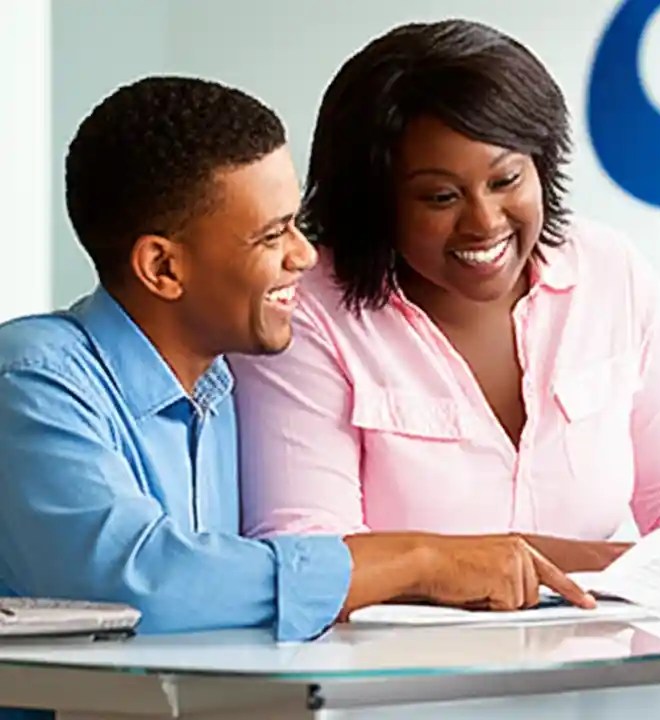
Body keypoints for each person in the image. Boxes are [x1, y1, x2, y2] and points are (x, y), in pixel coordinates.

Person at [0, 76, 593, 655]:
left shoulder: (232, 387)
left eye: (298, 225)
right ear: (163, 268)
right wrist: (421, 561)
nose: (304, 256)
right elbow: (137, 584)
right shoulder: (33, 379)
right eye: (270, 236)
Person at [228, 20, 660, 565]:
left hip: (594, 670)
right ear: (375, 200)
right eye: (441, 197)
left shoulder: (608, 271)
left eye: (507, 179)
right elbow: (307, 551)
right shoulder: (301, 307)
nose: (484, 222)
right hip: (394, 678)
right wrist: (580, 562)